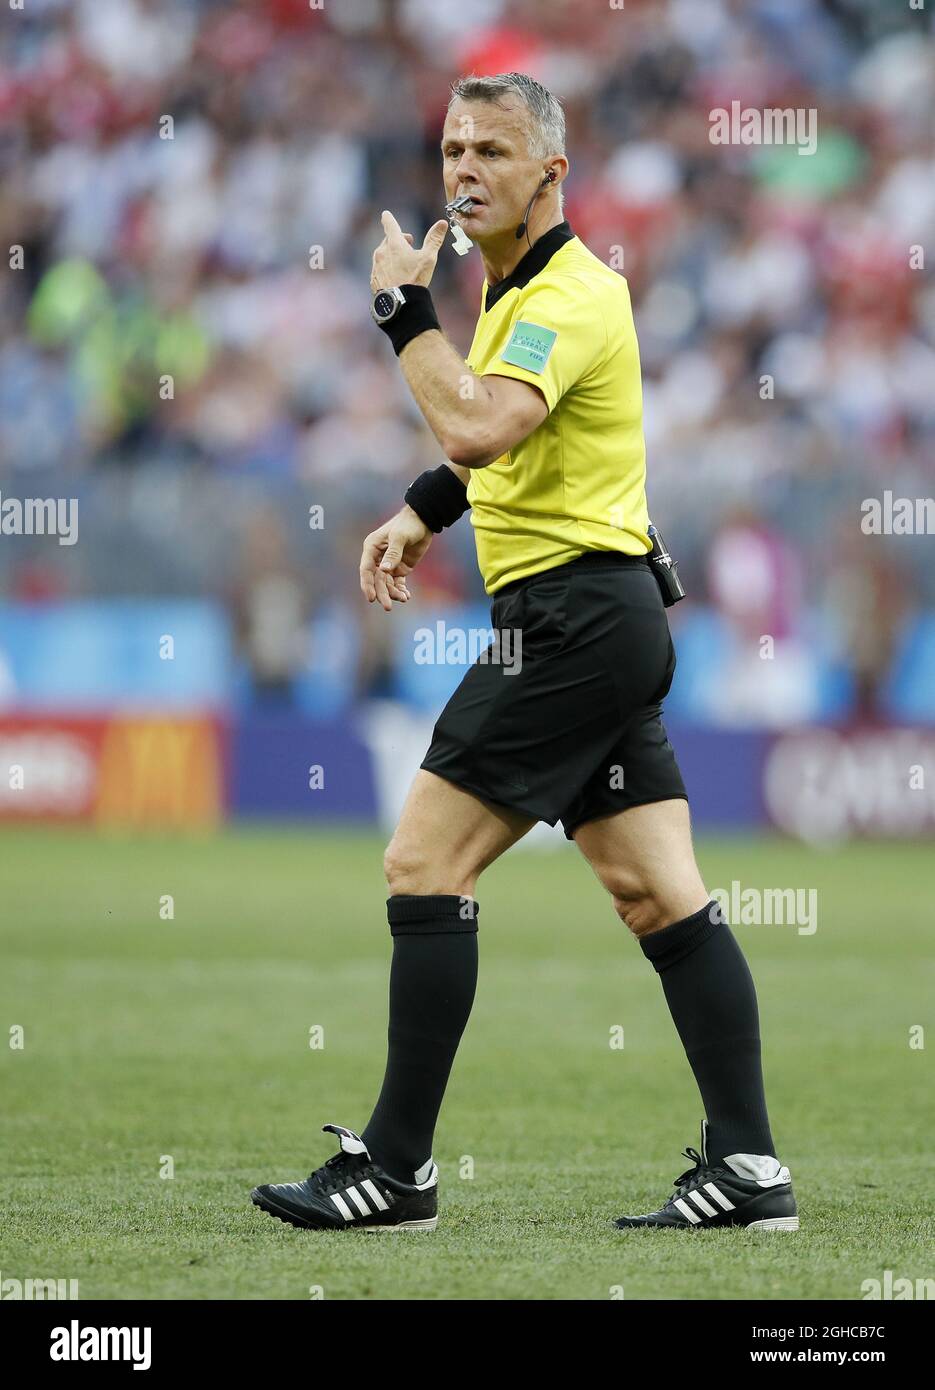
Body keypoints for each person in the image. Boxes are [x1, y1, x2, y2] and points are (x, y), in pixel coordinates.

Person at [251, 72, 797, 1233]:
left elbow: (479, 420)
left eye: (491, 151)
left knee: (420, 863)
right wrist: (422, 508)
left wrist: (401, 316)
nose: (461, 171)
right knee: (657, 893)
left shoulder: (564, 293)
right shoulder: (517, 300)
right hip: (606, 618)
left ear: (551, 172)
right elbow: (502, 445)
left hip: (569, 624)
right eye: (451, 148)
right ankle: (748, 1169)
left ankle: (395, 1170)